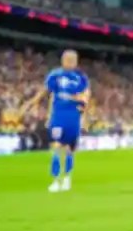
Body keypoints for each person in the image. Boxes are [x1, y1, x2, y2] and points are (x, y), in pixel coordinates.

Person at [19, 49, 89, 193]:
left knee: (70, 149)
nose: (69, 62)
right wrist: (30, 103)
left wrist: (84, 115)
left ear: (76, 62)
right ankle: (56, 180)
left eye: (72, 60)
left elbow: (85, 98)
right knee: (56, 147)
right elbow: (44, 92)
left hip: (73, 117)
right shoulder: (55, 75)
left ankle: (67, 178)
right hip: (58, 116)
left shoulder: (81, 78)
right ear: (62, 60)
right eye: (67, 59)